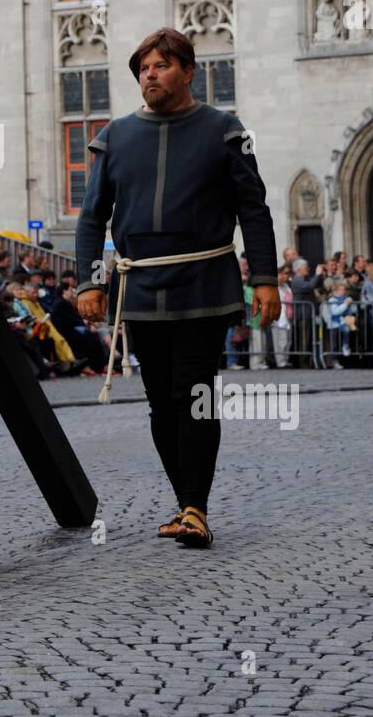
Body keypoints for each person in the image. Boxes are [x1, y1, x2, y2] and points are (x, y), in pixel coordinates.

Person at [75, 27, 279, 549]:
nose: (150, 74)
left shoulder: (224, 130)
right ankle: (185, 501)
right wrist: (88, 282)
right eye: (143, 67)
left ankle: (195, 507)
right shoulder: (115, 137)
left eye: (161, 65)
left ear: (188, 71)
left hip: (204, 283)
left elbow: (253, 209)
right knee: (160, 402)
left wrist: (265, 279)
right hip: (139, 284)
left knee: (195, 392)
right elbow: (92, 217)